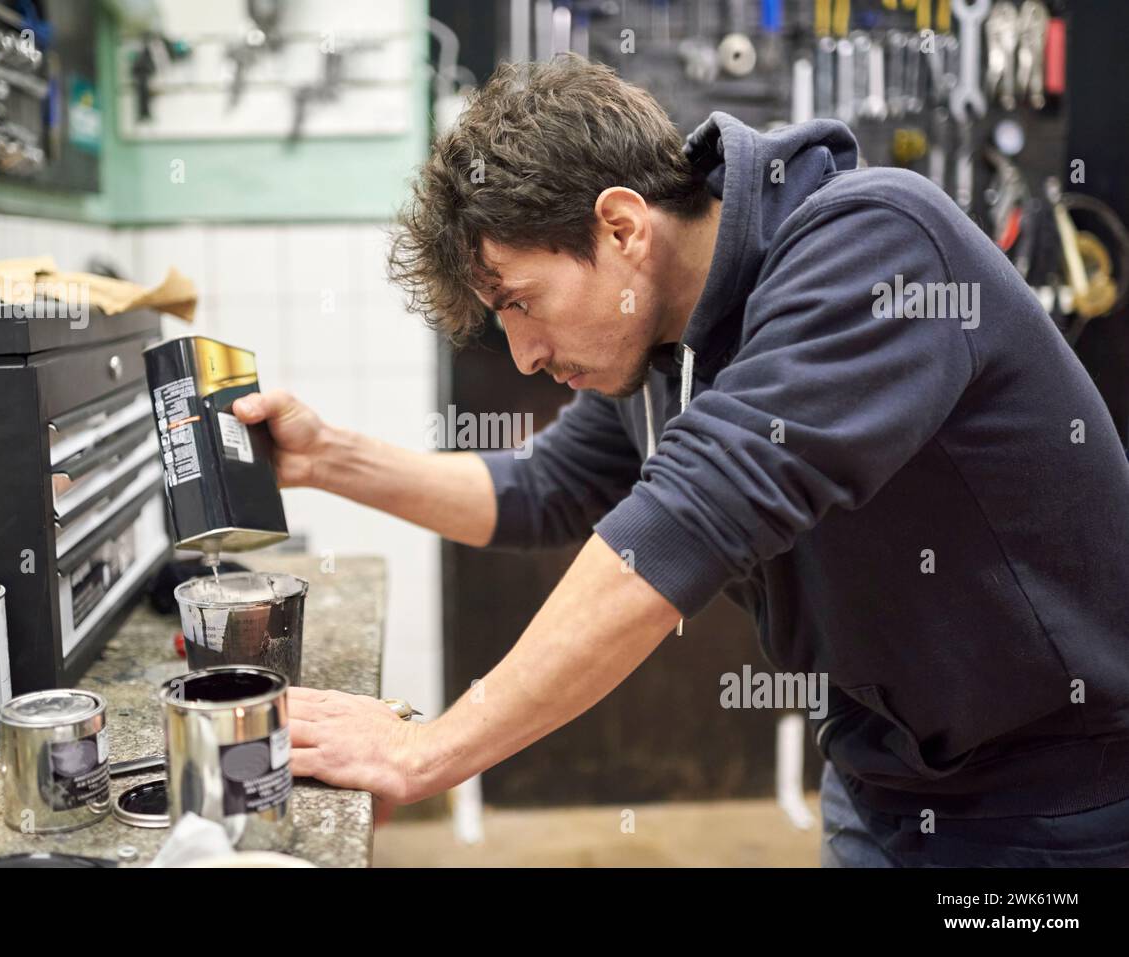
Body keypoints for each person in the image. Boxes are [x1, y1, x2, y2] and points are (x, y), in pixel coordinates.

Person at [233, 55, 1129, 866]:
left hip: (1057, 795)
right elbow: (537, 492)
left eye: (520, 303)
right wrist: (326, 460)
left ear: (622, 228)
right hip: (880, 773)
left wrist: (422, 750)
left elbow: (686, 522)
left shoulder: (877, 247)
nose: (524, 356)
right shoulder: (662, 345)